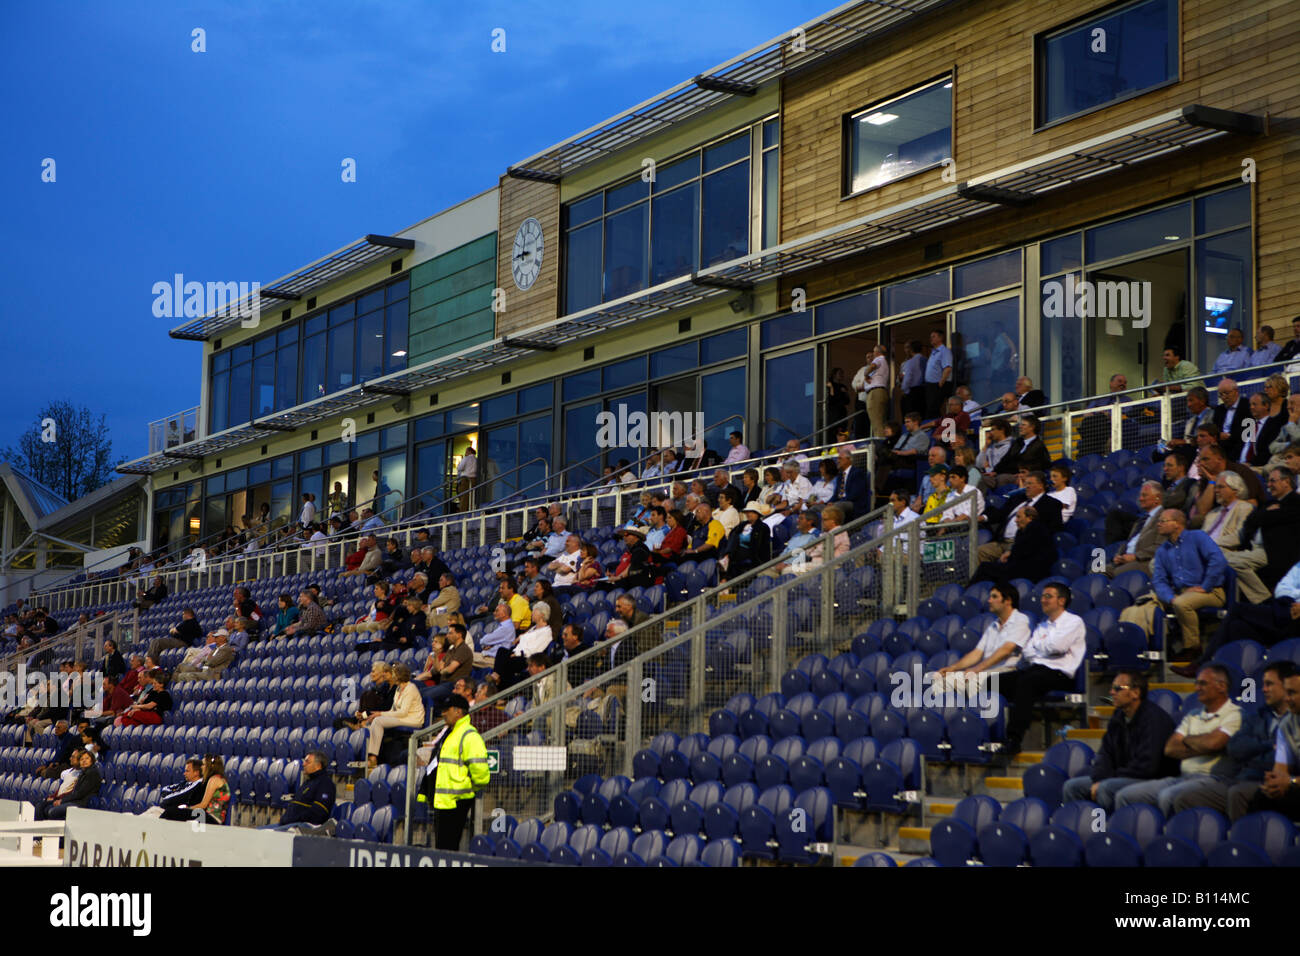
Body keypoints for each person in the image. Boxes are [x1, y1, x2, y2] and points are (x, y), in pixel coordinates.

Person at [1114, 665, 1241, 816]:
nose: (1197, 688)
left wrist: (1187, 741)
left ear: (1221, 686)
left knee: (1168, 796)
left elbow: (1214, 743)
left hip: (1214, 779)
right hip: (1182, 778)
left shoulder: (1235, 714)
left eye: (1203, 683)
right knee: (1125, 796)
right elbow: (1170, 748)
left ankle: (1170, 837)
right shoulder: (1193, 715)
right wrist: (1205, 744)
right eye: (1196, 683)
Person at [1061, 670, 1178, 813]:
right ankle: (1080, 830)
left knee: (1106, 788)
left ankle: (1105, 830)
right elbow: (1105, 754)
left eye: (1117, 688)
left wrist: (1107, 779)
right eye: (1112, 688)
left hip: (1152, 779)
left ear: (1135, 693)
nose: (1111, 692)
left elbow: (1148, 766)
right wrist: (1100, 777)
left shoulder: (1154, 719)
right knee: (1072, 787)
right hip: (1122, 776)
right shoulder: (1118, 716)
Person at [1119, 510, 1226, 660]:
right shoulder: (1162, 550)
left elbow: (1218, 560)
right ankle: (1144, 649)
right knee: (1140, 605)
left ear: (1177, 524)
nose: (1158, 524)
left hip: (1211, 591)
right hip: (1181, 593)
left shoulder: (1198, 537)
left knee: (1182, 604)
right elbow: (1159, 580)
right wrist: (1170, 597)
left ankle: (1193, 648)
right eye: (1159, 521)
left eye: (1163, 521)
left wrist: (1205, 585)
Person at [1000, 584, 1087, 755]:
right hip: (1037, 669)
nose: (1043, 600)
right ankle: (991, 736)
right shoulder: (1043, 625)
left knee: (1028, 682)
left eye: (1048, 596)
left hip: (1060, 673)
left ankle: (1014, 739)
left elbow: (1058, 647)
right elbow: (1027, 652)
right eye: (1043, 596)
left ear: (1061, 601)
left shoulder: (1074, 622)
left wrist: (1040, 648)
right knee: (995, 682)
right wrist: (1044, 648)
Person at [1215, 662, 1295, 820]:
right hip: (1241, 778)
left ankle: (1240, 842)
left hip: (1269, 782)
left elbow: (1285, 760)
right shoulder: (1258, 716)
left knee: (1238, 794)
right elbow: (1234, 747)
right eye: (1263, 684)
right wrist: (1267, 745)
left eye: (1269, 684)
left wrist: (1253, 756)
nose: (1263, 689)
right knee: (1183, 796)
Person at [1223, 466, 1300, 603]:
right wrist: (1268, 513)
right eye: (1268, 481)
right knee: (1219, 557)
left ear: (1286, 481)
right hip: (1253, 548)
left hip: (1274, 551)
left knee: (1233, 562)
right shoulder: (1270, 503)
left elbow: (1274, 518)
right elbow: (1250, 520)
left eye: (1272, 481)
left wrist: (1265, 515)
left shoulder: (1296, 502)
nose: (1268, 485)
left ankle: (1264, 599)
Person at [934, 583, 1030, 693]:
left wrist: (978, 668)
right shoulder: (993, 625)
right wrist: (953, 668)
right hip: (987, 671)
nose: (989, 601)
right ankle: (946, 710)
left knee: (974, 680)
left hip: (1008, 672)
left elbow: (1006, 650)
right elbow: (977, 653)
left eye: (994, 597)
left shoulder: (1021, 620)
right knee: (941, 681)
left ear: (1008, 600)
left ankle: (975, 710)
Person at [430, 694, 490, 851]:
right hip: (444, 800)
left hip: (456, 801)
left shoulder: (469, 735)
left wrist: (470, 789)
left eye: (446, 710)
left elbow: (481, 772)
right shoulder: (452, 733)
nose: (443, 713)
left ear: (458, 711)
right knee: (443, 848)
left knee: (448, 848)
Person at [1245, 667, 1300, 819]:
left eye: (1292, 693)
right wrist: (1275, 783)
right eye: (1287, 692)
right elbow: (1280, 769)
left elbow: (1289, 780)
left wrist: (1290, 781)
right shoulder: (1286, 724)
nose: (1287, 699)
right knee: (1263, 797)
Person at [976, 471, 1063, 563]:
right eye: (1025, 483)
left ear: (1041, 485)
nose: (1027, 486)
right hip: (1002, 542)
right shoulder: (1017, 499)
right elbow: (1001, 513)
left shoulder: (1051, 504)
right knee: (978, 552)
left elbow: (1053, 529)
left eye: (1030, 483)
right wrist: (983, 517)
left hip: (1024, 544)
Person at [971, 506, 1056, 584]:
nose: (1016, 520)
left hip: (1031, 570)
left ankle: (970, 590)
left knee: (985, 567)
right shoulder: (1023, 530)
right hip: (1021, 566)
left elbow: (1023, 551)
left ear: (1029, 518)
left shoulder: (1035, 529)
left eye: (1019, 517)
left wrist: (1011, 554)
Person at [364, 663, 425, 770]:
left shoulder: (410, 688)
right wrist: (378, 714)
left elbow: (403, 712)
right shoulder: (398, 689)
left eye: (393, 674)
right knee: (372, 721)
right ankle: (370, 756)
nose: (392, 676)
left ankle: (373, 757)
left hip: (413, 719)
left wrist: (381, 714)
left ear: (399, 675)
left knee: (378, 721)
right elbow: (393, 709)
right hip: (402, 717)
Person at [262, 750, 336, 831]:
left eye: (307, 762)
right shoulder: (308, 783)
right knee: (257, 831)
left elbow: (318, 814)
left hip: (304, 826)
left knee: (265, 834)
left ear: (318, 766)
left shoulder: (325, 784)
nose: (303, 764)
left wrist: (291, 819)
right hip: (291, 823)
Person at [1104, 481, 1165, 577]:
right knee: (1095, 572)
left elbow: (1160, 546)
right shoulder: (1141, 520)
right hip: (1124, 561)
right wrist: (1119, 555)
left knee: (1116, 574)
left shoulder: (1164, 517)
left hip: (1144, 561)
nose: (1140, 499)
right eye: (1140, 495)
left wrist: (1135, 556)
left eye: (1144, 496)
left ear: (1157, 498)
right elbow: (1130, 542)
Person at [1189, 469, 1254, 549]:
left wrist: (1209, 543)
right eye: (1215, 487)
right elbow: (1203, 533)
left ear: (1235, 490)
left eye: (1220, 487)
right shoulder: (1213, 513)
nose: (1216, 491)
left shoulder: (1245, 508)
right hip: (1204, 549)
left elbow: (1238, 537)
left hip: (1224, 551)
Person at [161, 754, 231, 825]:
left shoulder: (214, 780)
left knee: (170, 812)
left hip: (212, 818)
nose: (201, 767)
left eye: (203, 765)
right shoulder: (219, 778)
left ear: (210, 766)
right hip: (210, 816)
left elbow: (203, 805)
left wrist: (187, 808)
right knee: (174, 812)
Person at [34, 750, 100, 821]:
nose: (84, 761)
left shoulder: (92, 773)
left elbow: (79, 794)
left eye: (87, 758)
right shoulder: (84, 773)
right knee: (43, 807)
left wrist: (61, 801)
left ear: (92, 760)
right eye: (81, 759)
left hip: (82, 803)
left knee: (51, 811)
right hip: (75, 801)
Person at [722, 503, 774, 580]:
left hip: (752, 555)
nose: (748, 514)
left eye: (751, 512)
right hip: (736, 553)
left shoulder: (763, 527)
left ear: (757, 514)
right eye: (747, 512)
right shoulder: (741, 525)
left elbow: (761, 547)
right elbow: (732, 537)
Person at [854, 344, 890, 438]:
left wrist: (866, 374)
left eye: (874, 352)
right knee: (878, 421)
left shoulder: (879, 359)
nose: (873, 355)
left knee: (876, 422)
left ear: (877, 352)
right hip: (879, 392)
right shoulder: (883, 361)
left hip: (875, 393)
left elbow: (872, 366)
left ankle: (880, 443)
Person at [1213, 379, 1250, 461]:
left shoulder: (1247, 406)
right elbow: (1214, 430)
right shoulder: (1219, 410)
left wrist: (1229, 436)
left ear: (1236, 391)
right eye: (1221, 395)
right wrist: (1219, 435)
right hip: (1221, 447)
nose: (1224, 397)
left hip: (1240, 446)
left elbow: (1247, 432)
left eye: (1226, 393)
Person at [829, 445, 870, 519]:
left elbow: (854, 495)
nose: (837, 461)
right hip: (841, 501)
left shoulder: (857, 473)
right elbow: (836, 495)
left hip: (854, 504)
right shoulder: (840, 475)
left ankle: (837, 529)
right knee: (817, 508)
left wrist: (836, 503)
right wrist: (828, 503)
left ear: (848, 460)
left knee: (837, 506)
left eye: (840, 458)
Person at [923, 329, 953, 418]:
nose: (931, 339)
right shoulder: (933, 352)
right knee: (930, 408)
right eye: (931, 337)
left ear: (940, 338)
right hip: (930, 385)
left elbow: (947, 368)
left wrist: (940, 383)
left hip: (938, 385)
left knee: (934, 408)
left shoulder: (944, 351)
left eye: (933, 336)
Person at [899, 339, 926, 418]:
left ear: (911, 349)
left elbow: (908, 378)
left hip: (912, 392)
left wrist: (905, 390)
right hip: (924, 391)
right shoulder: (926, 359)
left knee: (909, 417)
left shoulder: (910, 362)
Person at [826, 367, 853, 440]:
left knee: (842, 431)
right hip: (833, 413)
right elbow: (831, 400)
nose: (841, 375)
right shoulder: (830, 384)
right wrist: (831, 388)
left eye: (842, 373)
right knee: (833, 431)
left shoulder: (843, 387)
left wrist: (845, 392)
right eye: (840, 373)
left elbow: (847, 401)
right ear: (834, 375)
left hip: (841, 412)